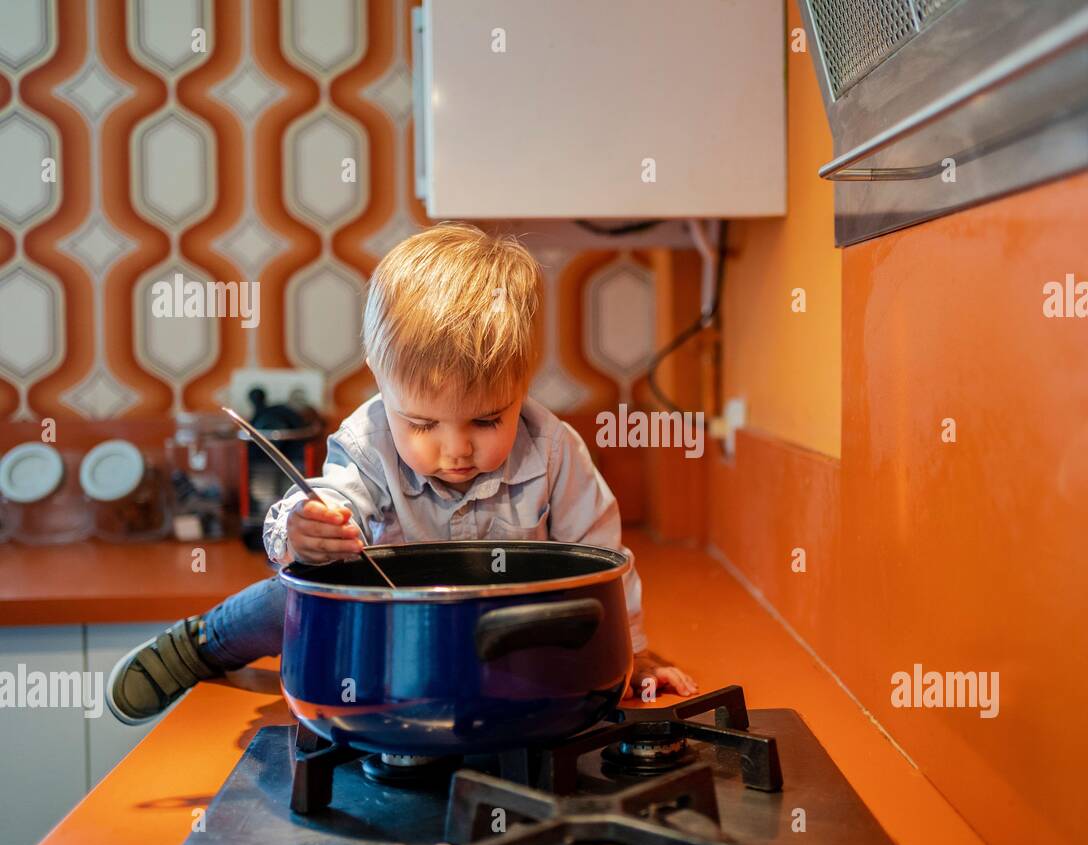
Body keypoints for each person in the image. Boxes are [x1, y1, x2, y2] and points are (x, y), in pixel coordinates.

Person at [107, 223, 697, 725]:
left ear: (523, 383)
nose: (456, 449)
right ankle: (205, 643)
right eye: (422, 423)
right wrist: (303, 529)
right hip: (388, 638)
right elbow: (329, 496)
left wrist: (634, 654)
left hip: (507, 637)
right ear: (380, 380)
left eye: (487, 420)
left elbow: (603, 561)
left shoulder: (555, 450)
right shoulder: (366, 442)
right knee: (289, 598)